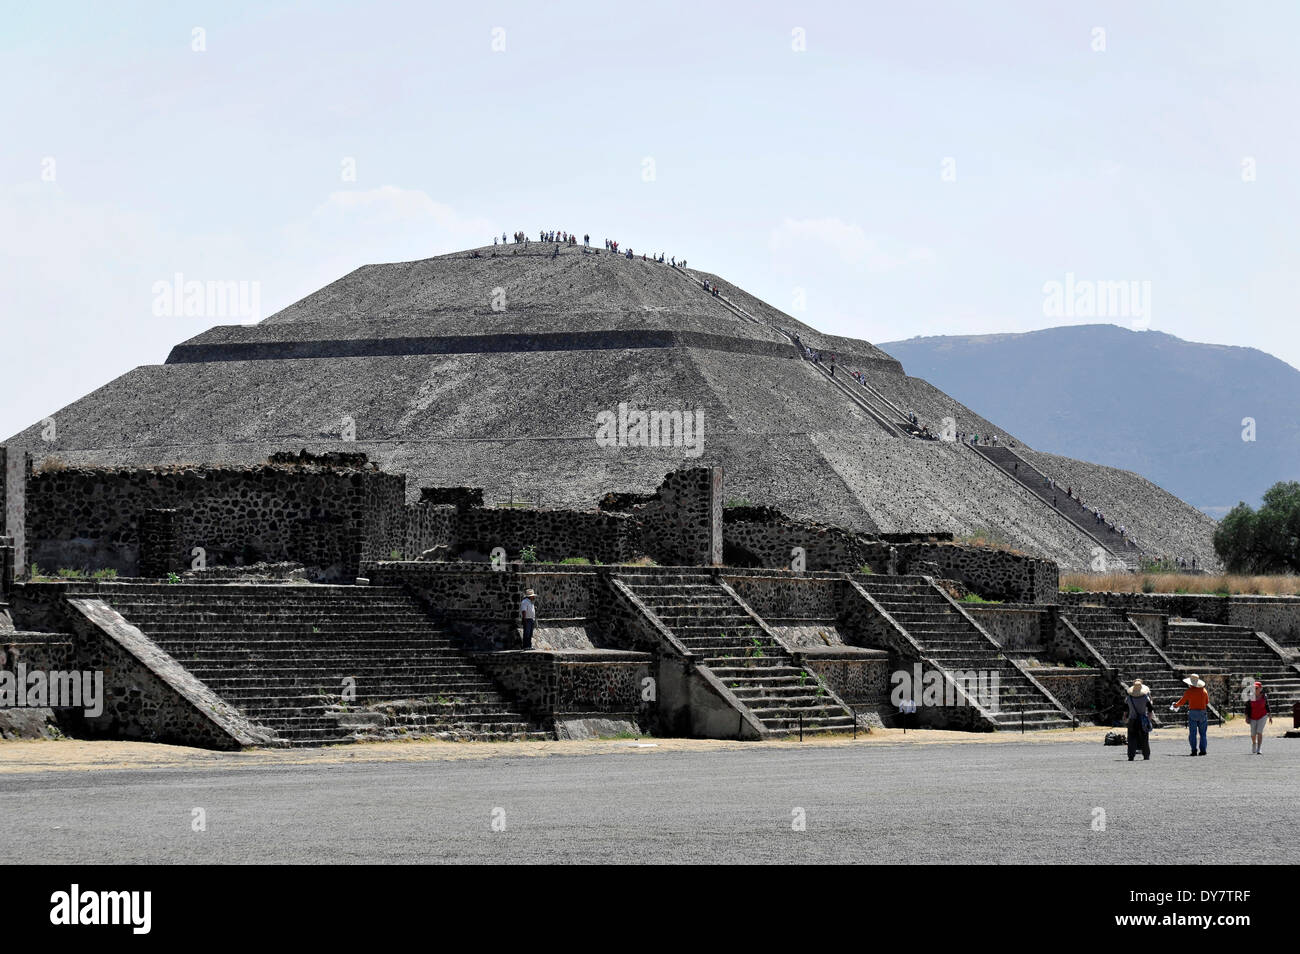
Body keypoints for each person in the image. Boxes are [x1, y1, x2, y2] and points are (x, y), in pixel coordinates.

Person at [1171, 673, 1210, 756]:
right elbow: (1207, 702)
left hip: (1193, 712)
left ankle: (1194, 750)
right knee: (1203, 734)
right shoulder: (1204, 691)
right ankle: (1203, 750)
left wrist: (1176, 705)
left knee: (1193, 733)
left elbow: (1182, 701)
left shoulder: (1189, 691)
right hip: (1202, 712)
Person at [1125, 679, 1153, 761]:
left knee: (1131, 738)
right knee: (1144, 738)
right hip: (1143, 720)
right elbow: (1150, 709)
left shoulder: (1129, 698)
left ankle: (1131, 755)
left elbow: (1125, 709)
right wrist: (1149, 719)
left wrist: (1125, 718)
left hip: (1132, 719)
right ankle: (1146, 755)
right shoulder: (1145, 698)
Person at [1245, 681, 1271, 754]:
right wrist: (1247, 717)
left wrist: (1270, 716)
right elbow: (1247, 707)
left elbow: (1267, 706)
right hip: (1253, 717)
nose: (1255, 689)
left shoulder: (1264, 696)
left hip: (1262, 716)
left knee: (1259, 731)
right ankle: (1254, 743)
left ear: (1260, 689)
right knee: (1253, 734)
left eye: (1256, 688)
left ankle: (1259, 748)